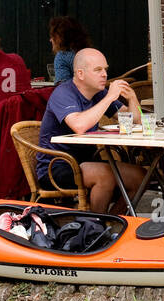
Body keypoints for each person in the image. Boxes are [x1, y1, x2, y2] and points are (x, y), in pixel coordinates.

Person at [37, 48, 146, 213]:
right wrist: (110, 97)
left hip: (87, 161)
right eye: (98, 70)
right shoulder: (63, 93)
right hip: (57, 166)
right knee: (105, 176)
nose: (104, 74)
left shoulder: (98, 93)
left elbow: (135, 121)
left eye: (105, 70)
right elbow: (79, 126)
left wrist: (132, 98)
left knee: (140, 176)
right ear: (80, 74)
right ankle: (95, 227)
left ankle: (113, 221)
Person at [48, 16, 91, 84]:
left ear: (60, 38)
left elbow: (63, 88)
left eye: (53, 36)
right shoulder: (91, 53)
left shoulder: (62, 56)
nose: (50, 40)